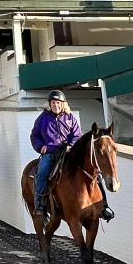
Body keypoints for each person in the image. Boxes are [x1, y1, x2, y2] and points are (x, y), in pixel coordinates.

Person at [30, 90, 81, 221]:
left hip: (68, 153)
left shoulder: (70, 118)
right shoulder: (43, 118)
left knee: (89, 171)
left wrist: (71, 145)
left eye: (58, 102)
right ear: (49, 104)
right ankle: (40, 205)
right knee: (42, 173)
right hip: (50, 153)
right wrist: (41, 146)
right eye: (53, 102)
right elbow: (34, 135)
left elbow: (77, 135)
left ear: (63, 104)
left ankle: (103, 205)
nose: (55, 105)